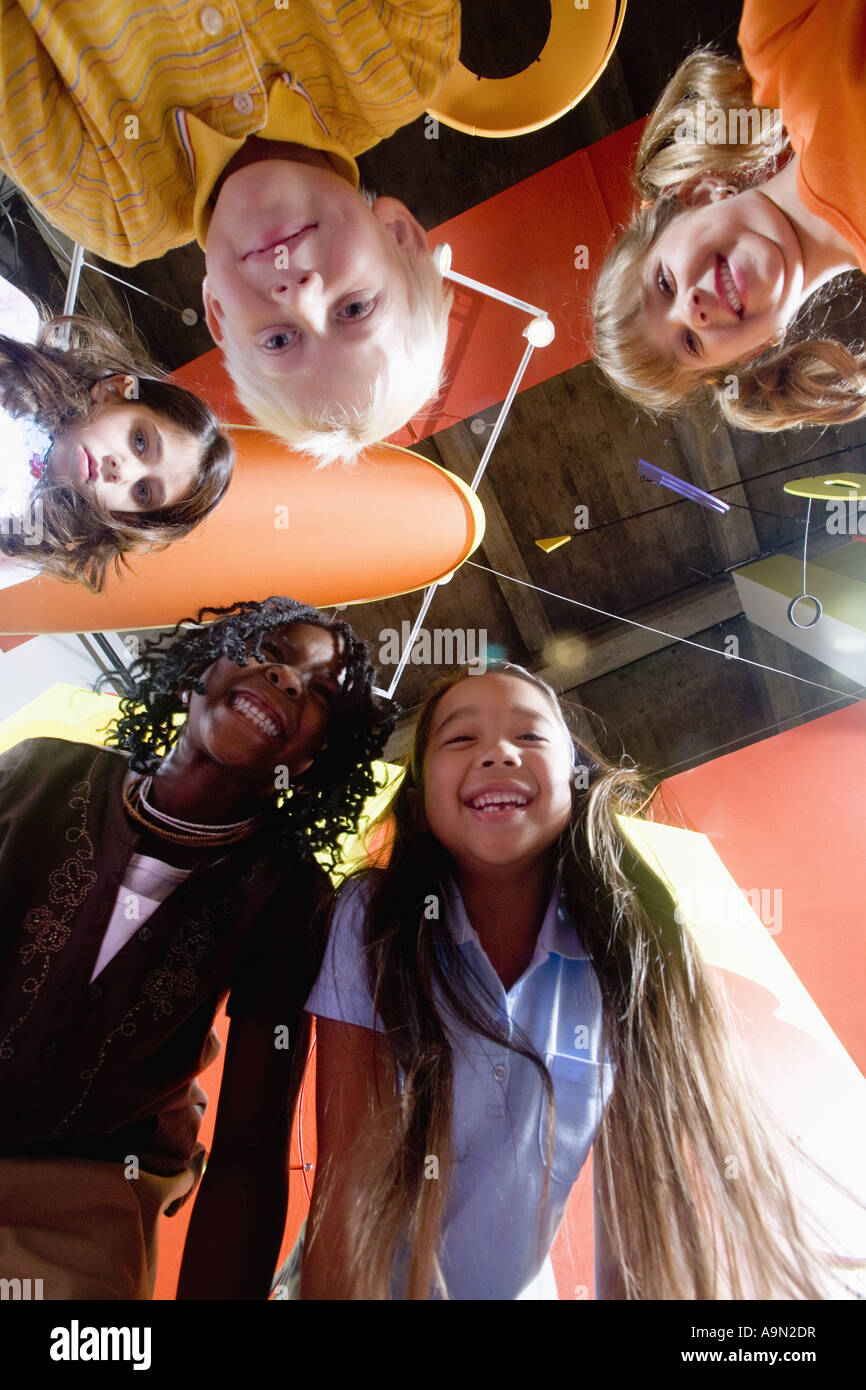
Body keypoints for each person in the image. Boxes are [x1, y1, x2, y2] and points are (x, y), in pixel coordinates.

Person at [291, 663, 846, 1299]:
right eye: (460, 739)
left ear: (577, 784)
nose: (498, 752)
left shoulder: (634, 948)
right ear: (418, 796)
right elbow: (346, 1189)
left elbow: (640, 1225)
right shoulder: (371, 918)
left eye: (530, 737)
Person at [0, 595, 394, 1300]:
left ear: (310, 760)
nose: (289, 681)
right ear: (197, 673)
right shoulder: (37, 773)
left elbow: (248, 1147)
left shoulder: (289, 899)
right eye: (271, 653)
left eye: (322, 695)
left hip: (83, 1200)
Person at [0, 2, 459, 464]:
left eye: (279, 340)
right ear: (399, 236)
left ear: (217, 311)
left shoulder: (108, 208)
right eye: (355, 309)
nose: (298, 296)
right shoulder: (403, 57)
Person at [592, 1, 866, 432]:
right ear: (754, 351)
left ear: (696, 195)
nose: (692, 308)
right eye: (689, 342)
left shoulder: (780, 43)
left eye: (664, 283)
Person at [0, 277, 233, 592]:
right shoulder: (15, 323)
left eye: (142, 492)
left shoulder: (25, 547)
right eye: (140, 441)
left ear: (124, 517)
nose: (122, 470)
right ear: (114, 391)